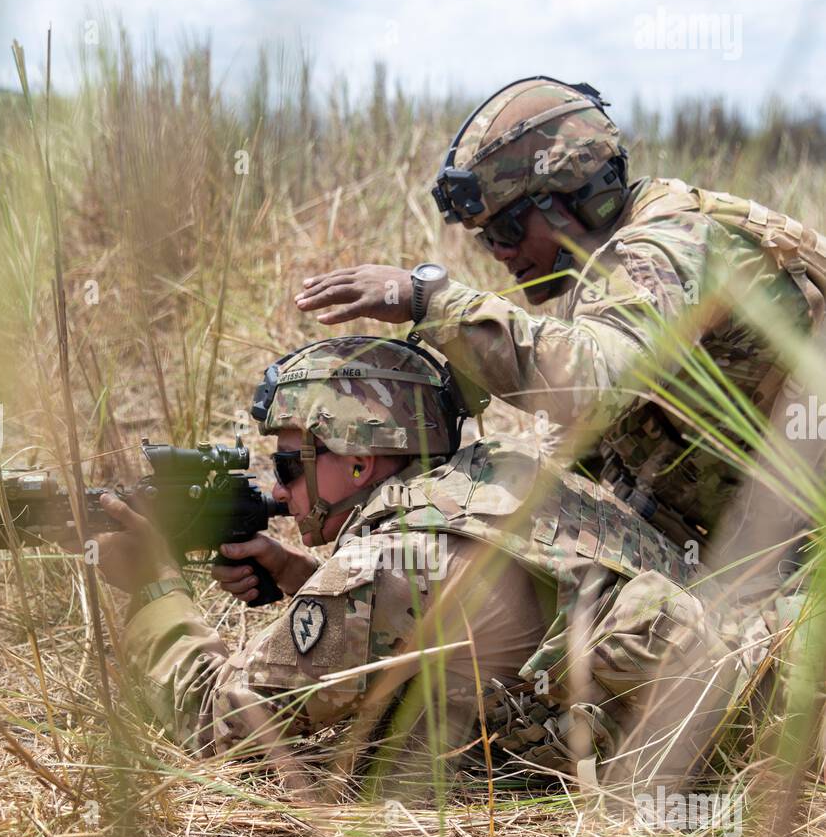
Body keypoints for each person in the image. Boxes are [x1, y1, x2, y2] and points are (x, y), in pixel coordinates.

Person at [293, 76, 826, 767]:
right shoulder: (628, 259)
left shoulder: (667, 246)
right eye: (487, 240)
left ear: (580, 197)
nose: (504, 254)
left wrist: (428, 299)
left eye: (512, 228)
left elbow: (590, 384)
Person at [91, 335, 729, 798]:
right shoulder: (504, 475)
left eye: (290, 467)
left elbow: (223, 728)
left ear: (362, 464)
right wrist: (298, 576)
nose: (281, 494)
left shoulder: (385, 563)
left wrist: (156, 590)